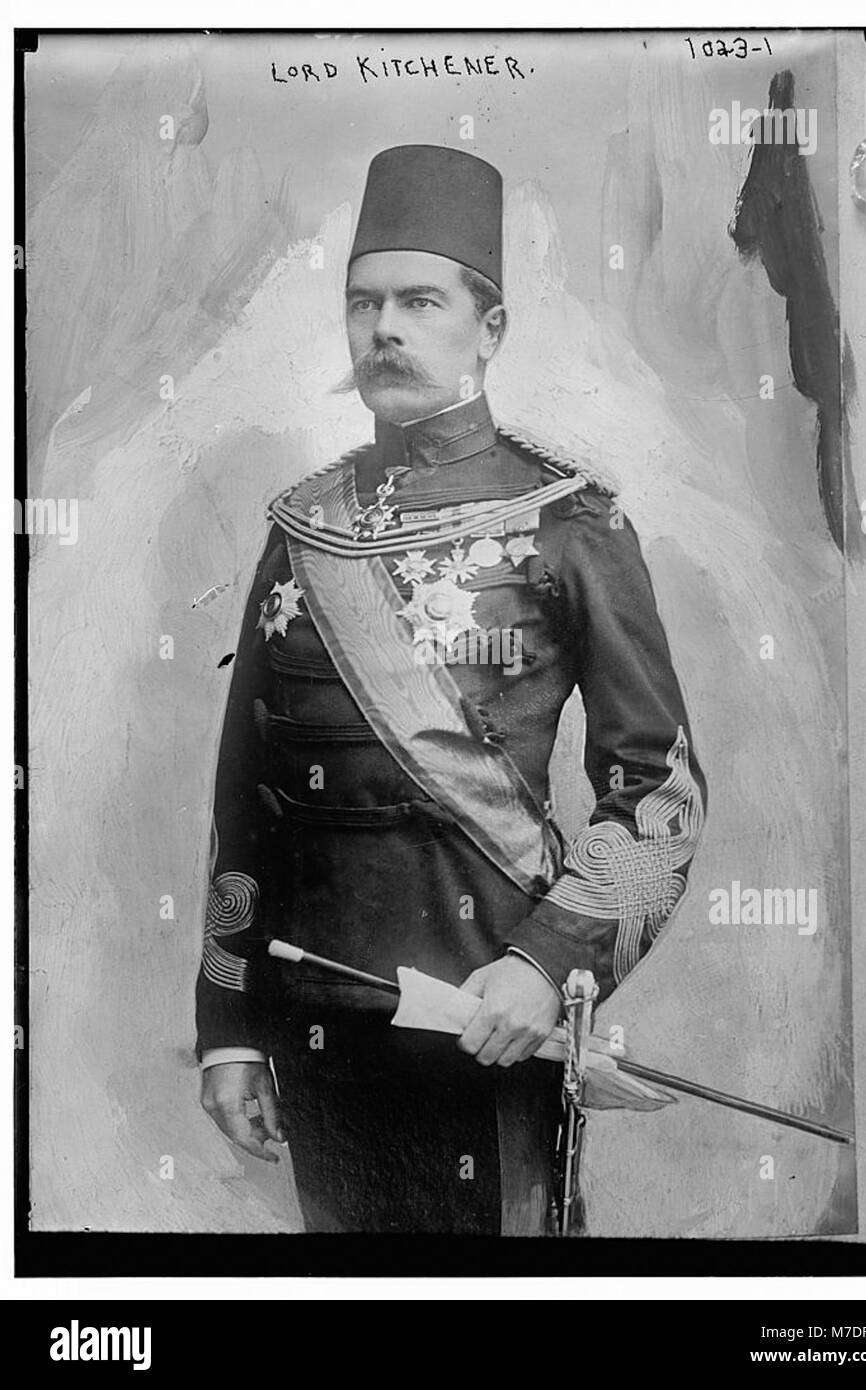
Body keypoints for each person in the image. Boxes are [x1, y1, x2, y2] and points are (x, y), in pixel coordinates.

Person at [196, 144, 706, 1234]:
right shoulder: (303, 530)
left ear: (489, 328)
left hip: (492, 1024)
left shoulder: (573, 526)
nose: (383, 328)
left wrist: (545, 966)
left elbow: (659, 795)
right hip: (317, 1027)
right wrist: (228, 1021)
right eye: (363, 303)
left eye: (419, 301)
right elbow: (244, 804)